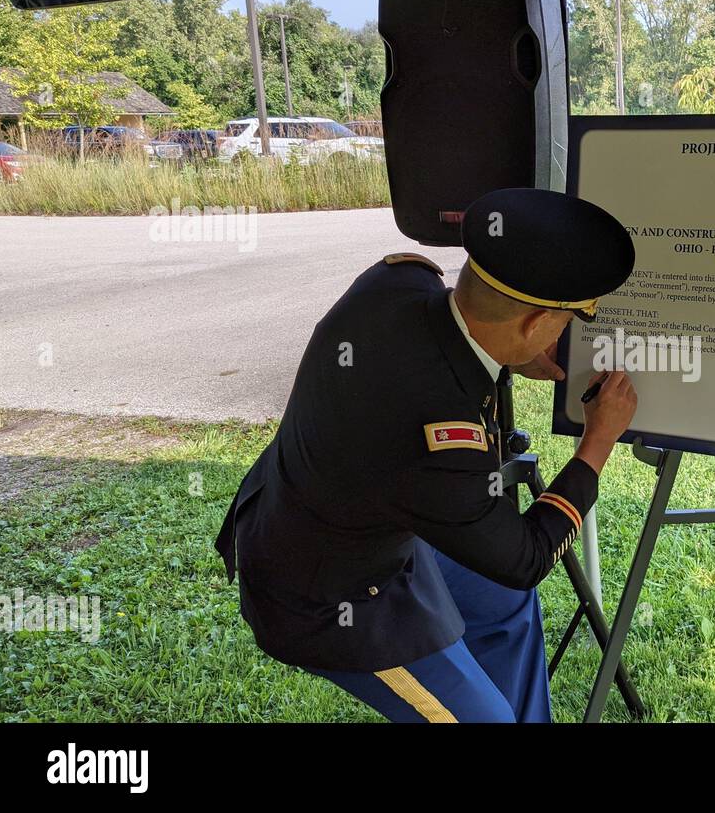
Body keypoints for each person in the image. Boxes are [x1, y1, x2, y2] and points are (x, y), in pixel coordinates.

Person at [214, 188, 637, 722]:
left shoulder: (397, 281)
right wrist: (597, 442)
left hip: (346, 519)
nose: (565, 334)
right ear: (534, 324)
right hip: (326, 596)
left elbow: (442, 345)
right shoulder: (442, 443)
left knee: (502, 602)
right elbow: (525, 558)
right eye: (565, 321)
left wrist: (512, 352)